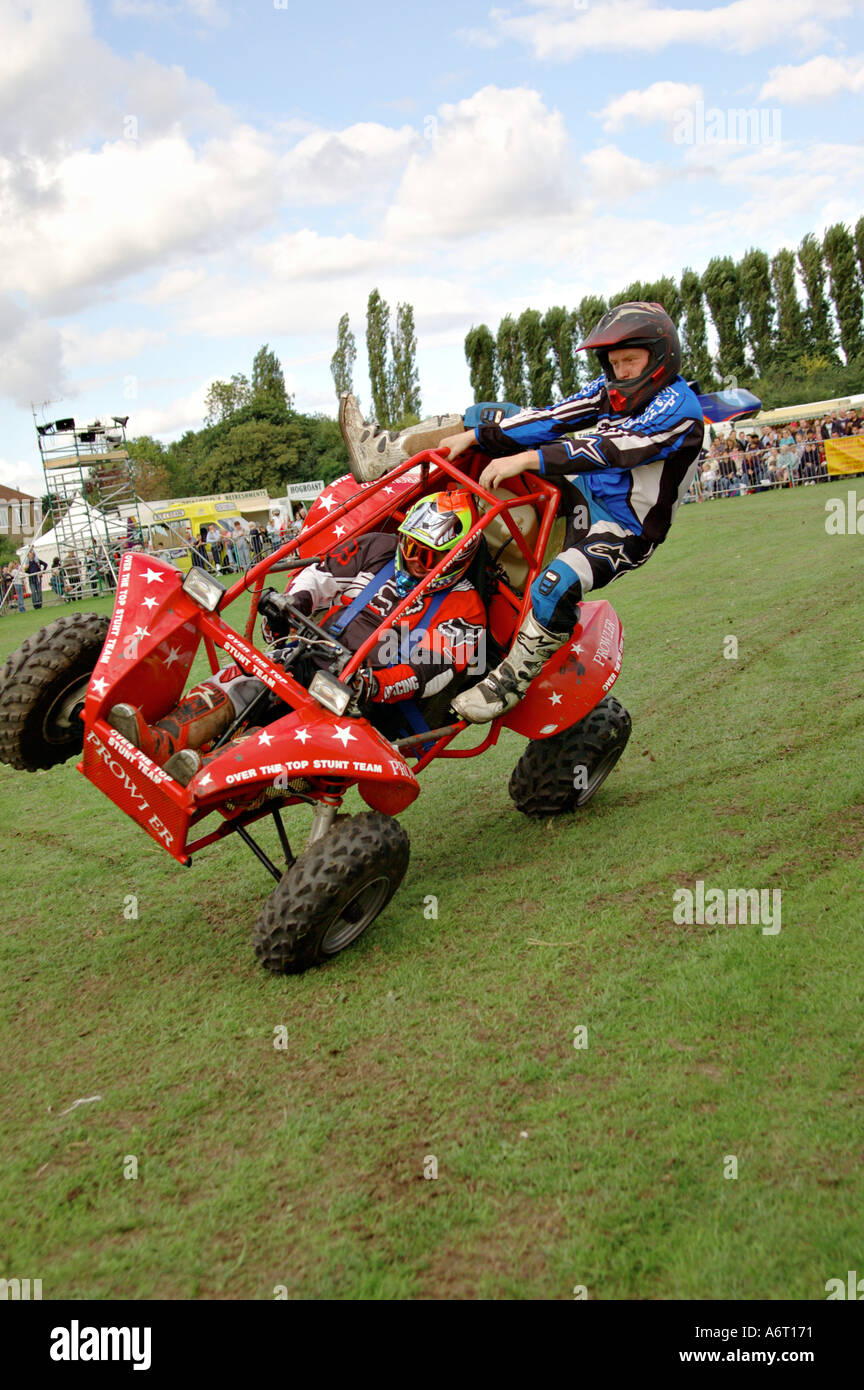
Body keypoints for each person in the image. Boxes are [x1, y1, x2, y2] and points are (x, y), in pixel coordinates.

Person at [340, 301, 704, 723]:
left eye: (630, 361)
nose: (620, 371)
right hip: (582, 490)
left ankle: (512, 677)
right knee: (492, 416)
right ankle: (382, 452)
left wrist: (528, 459)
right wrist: (478, 434)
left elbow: (612, 448)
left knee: (555, 584)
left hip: (626, 528)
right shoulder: (610, 390)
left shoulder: (680, 408)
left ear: (660, 358)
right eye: (615, 362)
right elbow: (551, 417)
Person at [106, 491, 487, 785]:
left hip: (360, 696)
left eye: (427, 555)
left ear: (456, 556)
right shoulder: (379, 548)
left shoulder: (466, 608)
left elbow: (428, 672)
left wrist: (372, 685)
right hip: (314, 649)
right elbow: (320, 577)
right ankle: (161, 741)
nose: (414, 560)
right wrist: (294, 602)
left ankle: (206, 771)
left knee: (289, 731)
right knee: (246, 678)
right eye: (410, 545)